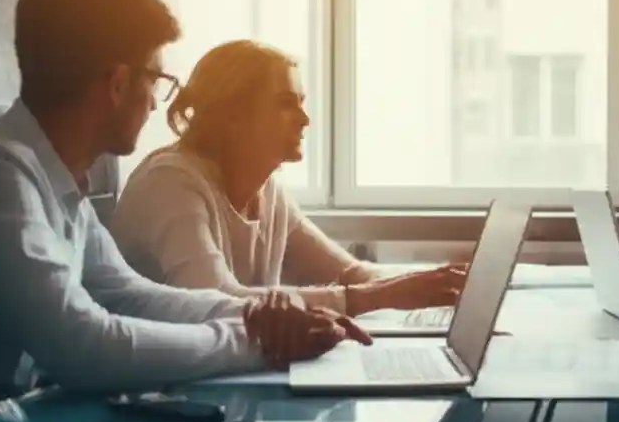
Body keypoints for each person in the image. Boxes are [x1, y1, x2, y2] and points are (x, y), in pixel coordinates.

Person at [0, 0, 368, 396]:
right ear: (118, 85)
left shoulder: (51, 180)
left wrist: (260, 315)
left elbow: (129, 295)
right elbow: (83, 345)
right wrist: (258, 343)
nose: (155, 103)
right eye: (157, 79)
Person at [111, 40, 465, 315]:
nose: (304, 119)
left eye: (301, 101)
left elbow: (350, 274)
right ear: (232, 114)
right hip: (155, 395)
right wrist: (375, 297)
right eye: (285, 103)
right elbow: (215, 300)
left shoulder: (268, 193)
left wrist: (444, 280)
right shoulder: (170, 184)